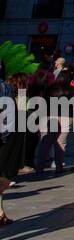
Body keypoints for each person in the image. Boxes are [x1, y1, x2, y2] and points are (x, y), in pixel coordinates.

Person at [0, 74, 30, 224]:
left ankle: (1, 212)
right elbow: (23, 116)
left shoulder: (6, 89)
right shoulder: (21, 94)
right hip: (12, 137)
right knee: (4, 177)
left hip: (9, 135)